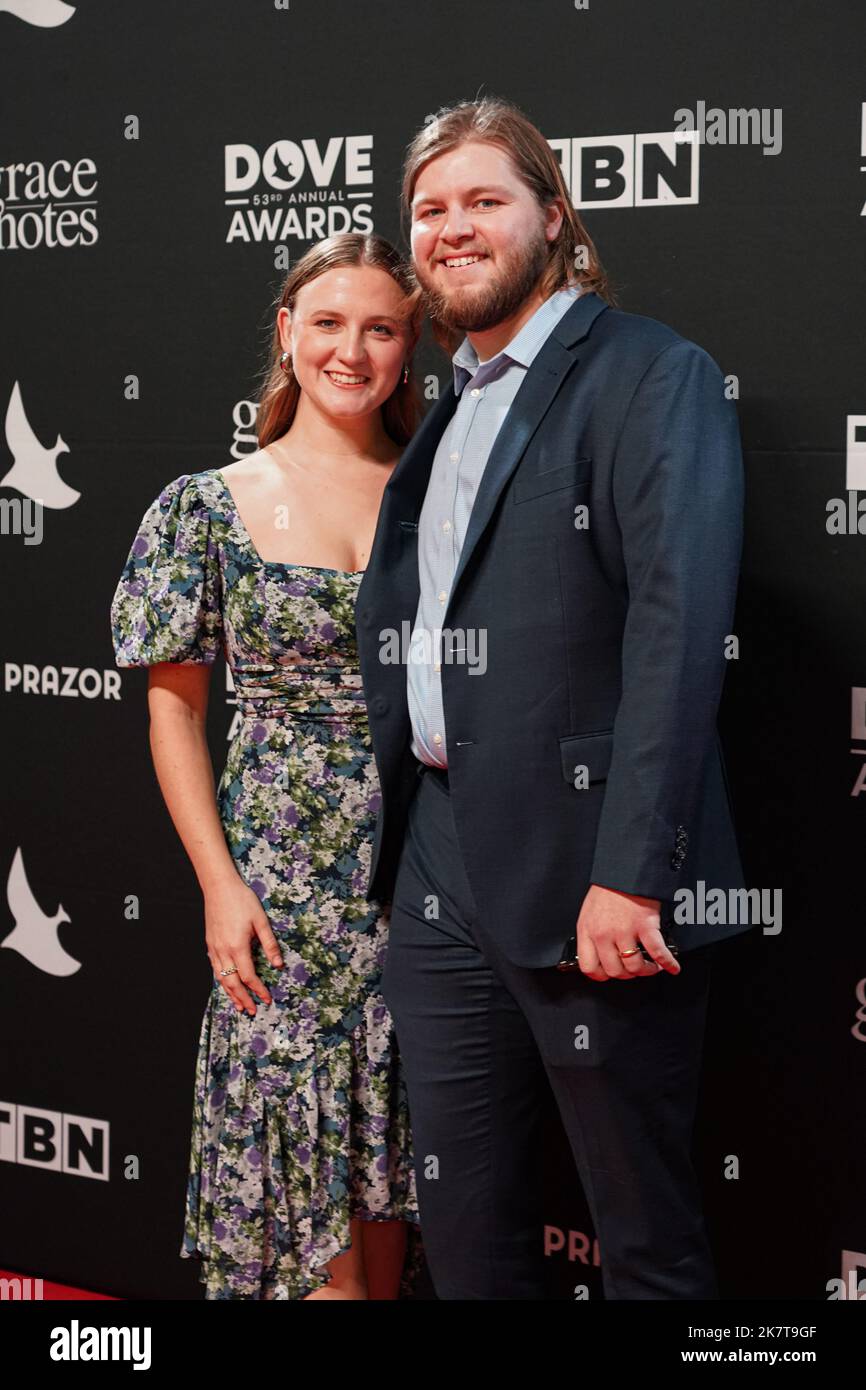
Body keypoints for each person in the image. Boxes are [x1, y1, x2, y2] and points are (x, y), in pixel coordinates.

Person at [354, 97, 753, 1299]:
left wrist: (632, 868)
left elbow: (675, 632)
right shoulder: (446, 410)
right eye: (430, 210)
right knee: (466, 1233)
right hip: (435, 862)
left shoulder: (647, 374)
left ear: (552, 217)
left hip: (594, 869)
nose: (452, 229)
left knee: (640, 1237)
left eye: (483, 201)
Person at [110, 233, 425, 1300]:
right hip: (279, 893)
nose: (352, 349)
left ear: (405, 350)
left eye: (380, 328)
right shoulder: (206, 505)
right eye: (327, 323)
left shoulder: (441, 499)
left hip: (421, 878)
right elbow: (172, 713)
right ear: (288, 336)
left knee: (390, 1224)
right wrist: (219, 884)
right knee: (308, 1251)